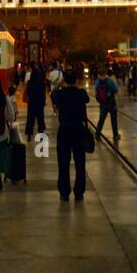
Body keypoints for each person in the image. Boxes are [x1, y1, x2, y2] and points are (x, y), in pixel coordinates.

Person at [51, 69, 89, 201]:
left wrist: (59, 84)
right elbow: (87, 99)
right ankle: (79, 191)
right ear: (76, 80)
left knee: (63, 163)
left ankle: (64, 191)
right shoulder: (81, 93)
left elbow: (52, 94)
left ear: (64, 81)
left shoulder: (60, 94)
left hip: (65, 130)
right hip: (78, 130)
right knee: (80, 163)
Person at [93, 67, 119, 140]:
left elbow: (96, 93)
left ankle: (97, 134)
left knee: (101, 119)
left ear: (98, 74)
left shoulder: (97, 81)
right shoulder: (109, 81)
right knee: (113, 120)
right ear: (106, 73)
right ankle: (115, 135)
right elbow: (115, 90)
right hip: (111, 103)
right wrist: (116, 103)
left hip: (103, 104)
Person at [25, 62, 48, 138]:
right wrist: (44, 101)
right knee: (40, 118)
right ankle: (41, 133)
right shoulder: (42, 84)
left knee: (30, 118)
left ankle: (29, 134)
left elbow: (27, 92)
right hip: (40, 103)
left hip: (31, 102)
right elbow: (43, 94)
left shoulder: (30, 83)